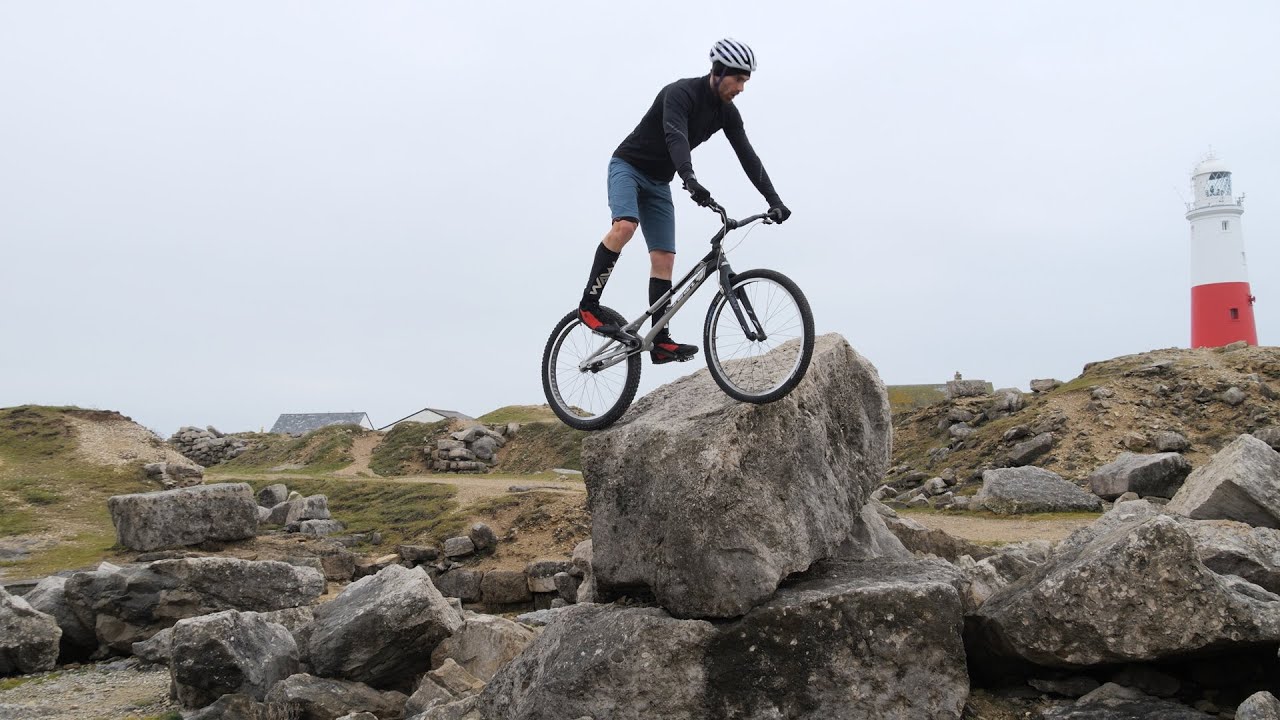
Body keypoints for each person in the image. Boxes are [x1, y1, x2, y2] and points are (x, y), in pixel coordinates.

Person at [577, 38, 791, 364]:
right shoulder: (680, 93)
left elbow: (747, 155)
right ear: (719, 71)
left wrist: (774, 199)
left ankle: (660, 341)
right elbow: (674, 135)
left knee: (664, 258)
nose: (741, 88)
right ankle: (589, 305)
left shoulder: (727, 114)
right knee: (625, 226)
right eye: (738, 79)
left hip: (659, 183)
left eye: (745, 81)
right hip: (628, 167)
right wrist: (689, 178)